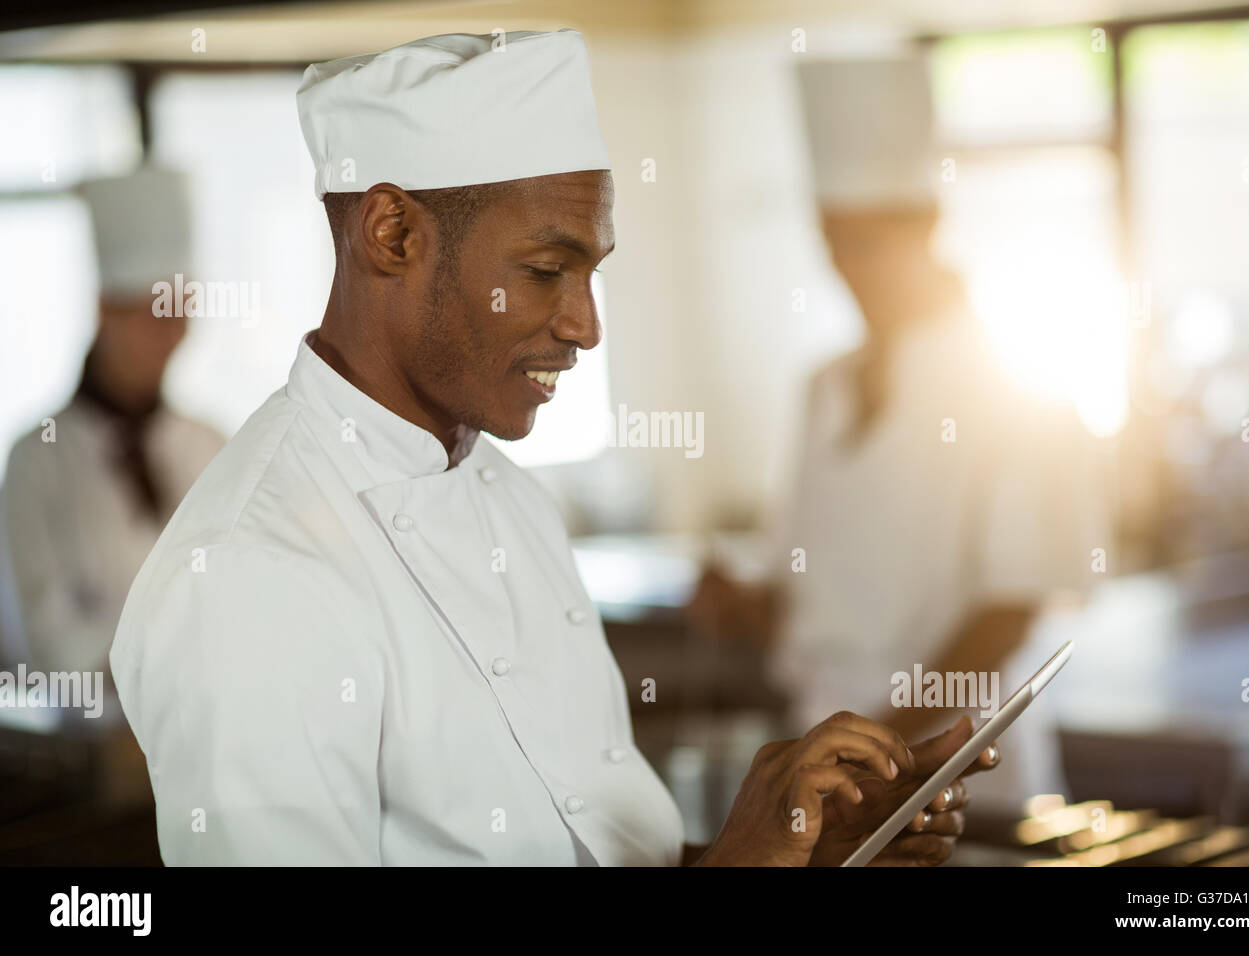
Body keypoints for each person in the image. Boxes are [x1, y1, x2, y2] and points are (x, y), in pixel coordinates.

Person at [110, 29, 997, 866]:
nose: (586, 326)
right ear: (393, 234)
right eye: (544, 272)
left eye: (591, 273)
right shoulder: (249, 573)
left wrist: (786, 850)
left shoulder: (515, 505)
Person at [690, 56, 1102, 813]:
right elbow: (800, 588)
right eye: (833, 238)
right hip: (830, 770)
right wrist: (743, 605)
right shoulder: (822, 387)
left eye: (870, 240)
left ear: (928, 224)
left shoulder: (1014, 384)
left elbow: (1010, 608)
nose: (848, 266)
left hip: (958, 779)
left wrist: (882, 747)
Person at [2, 166, 225, 723]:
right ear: (106, 309)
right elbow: (49, 649)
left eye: (181, 309)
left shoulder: (211, 445)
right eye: (153, 309)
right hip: (90, 763)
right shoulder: (38, 459)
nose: (170, 332)